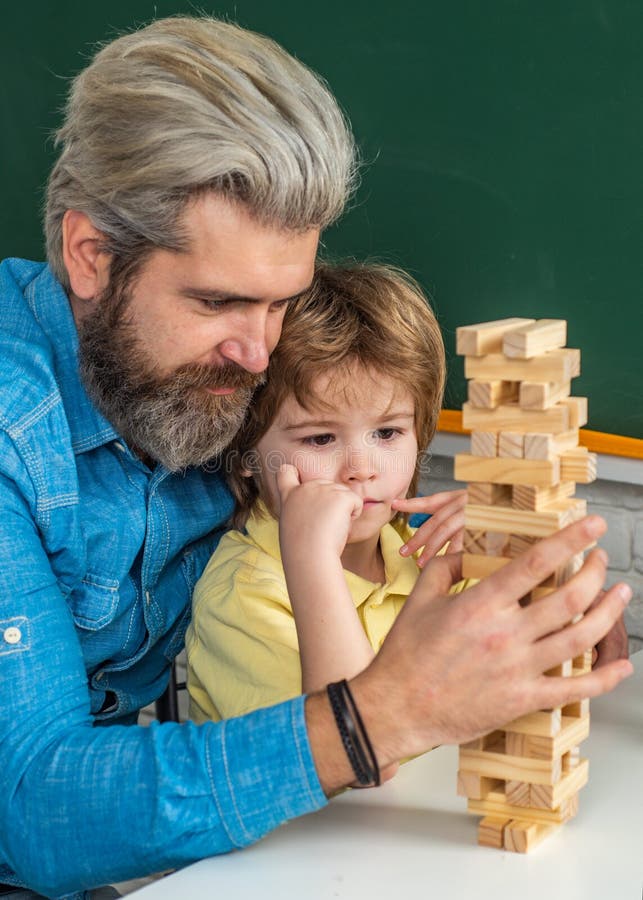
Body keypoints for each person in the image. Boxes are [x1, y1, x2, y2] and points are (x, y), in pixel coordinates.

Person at [0, 14, 631, 900]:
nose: (258, 356)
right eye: (220, 301)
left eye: (280, 303)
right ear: (91, 254)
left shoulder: (192, 375)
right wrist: (387, 709)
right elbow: (31, 811)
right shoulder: (13, 431)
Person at [186, 261, 470, 724]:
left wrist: (515, 545)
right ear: (243, 452)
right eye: (320, 439)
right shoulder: (244, 598)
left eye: (388, 432)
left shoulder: (423, 551)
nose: (361, 469)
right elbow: (354, 757)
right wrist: (312, 560)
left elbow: (549, 666)